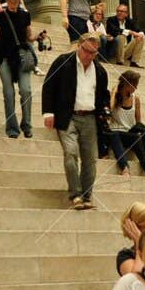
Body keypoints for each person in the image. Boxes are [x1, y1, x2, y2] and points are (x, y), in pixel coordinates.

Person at [42, 32, 107, 209]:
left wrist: (105, 111)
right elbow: (48, 86)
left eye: (94, 52)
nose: (89, 56)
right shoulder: (63, 61)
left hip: (90, 117)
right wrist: (48, 112)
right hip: (67, 115)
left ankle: (87, 196)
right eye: (86, 51)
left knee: (90, 159)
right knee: (70, 153)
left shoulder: (100, 70)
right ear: (79, 46)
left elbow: (103, 94)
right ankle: (75, 194)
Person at [0, 0, 35, 138]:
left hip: (22, 58)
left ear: (19, 0)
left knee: (26, 90)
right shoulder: (0, 16)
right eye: (10, 0)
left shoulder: (25, 15)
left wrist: (38, 37)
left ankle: (27, 125)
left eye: (15, 0)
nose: (13, 3)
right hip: (4, 57)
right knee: (8, 93)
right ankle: (12, 129)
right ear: (7, 0)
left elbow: (29, 36)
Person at [105, 2, 145, 68]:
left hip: (126, 51)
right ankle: (119, 61)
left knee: (142, 37)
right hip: (114, 51)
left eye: (121, 11)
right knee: (121, 36)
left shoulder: (130, 21)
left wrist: (139, 35)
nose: (119, 13)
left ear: (126, 14)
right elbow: (115, 30)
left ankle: (133, 62)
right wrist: (131, 32)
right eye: (118, 11)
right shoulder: (111, 20)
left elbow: (138, 30)